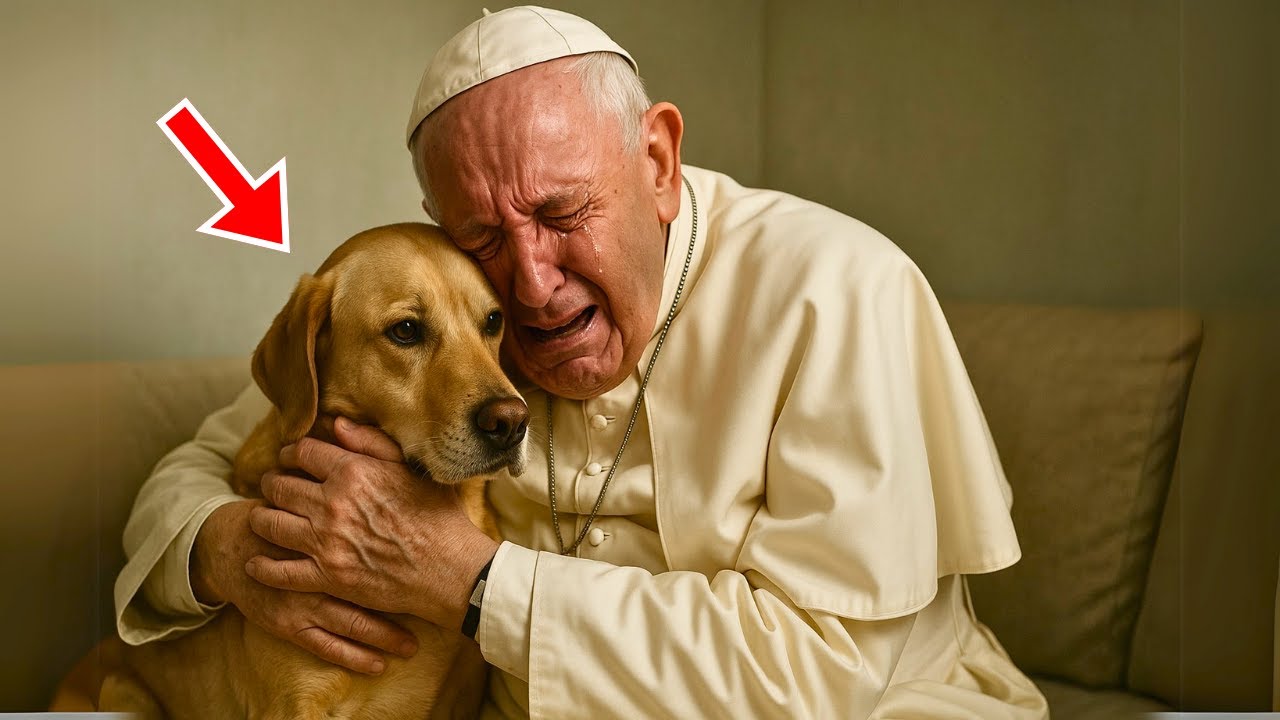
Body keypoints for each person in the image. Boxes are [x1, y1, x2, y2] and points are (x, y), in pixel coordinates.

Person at [115, 6, 1049, 718]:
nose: (529, 285)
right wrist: (230, 553)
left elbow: (821, 676)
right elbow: (195, 470)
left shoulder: (840, 288)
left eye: (563, 215)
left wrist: (472, 583)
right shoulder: (457, 318)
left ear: (657, 160)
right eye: (482, 233)